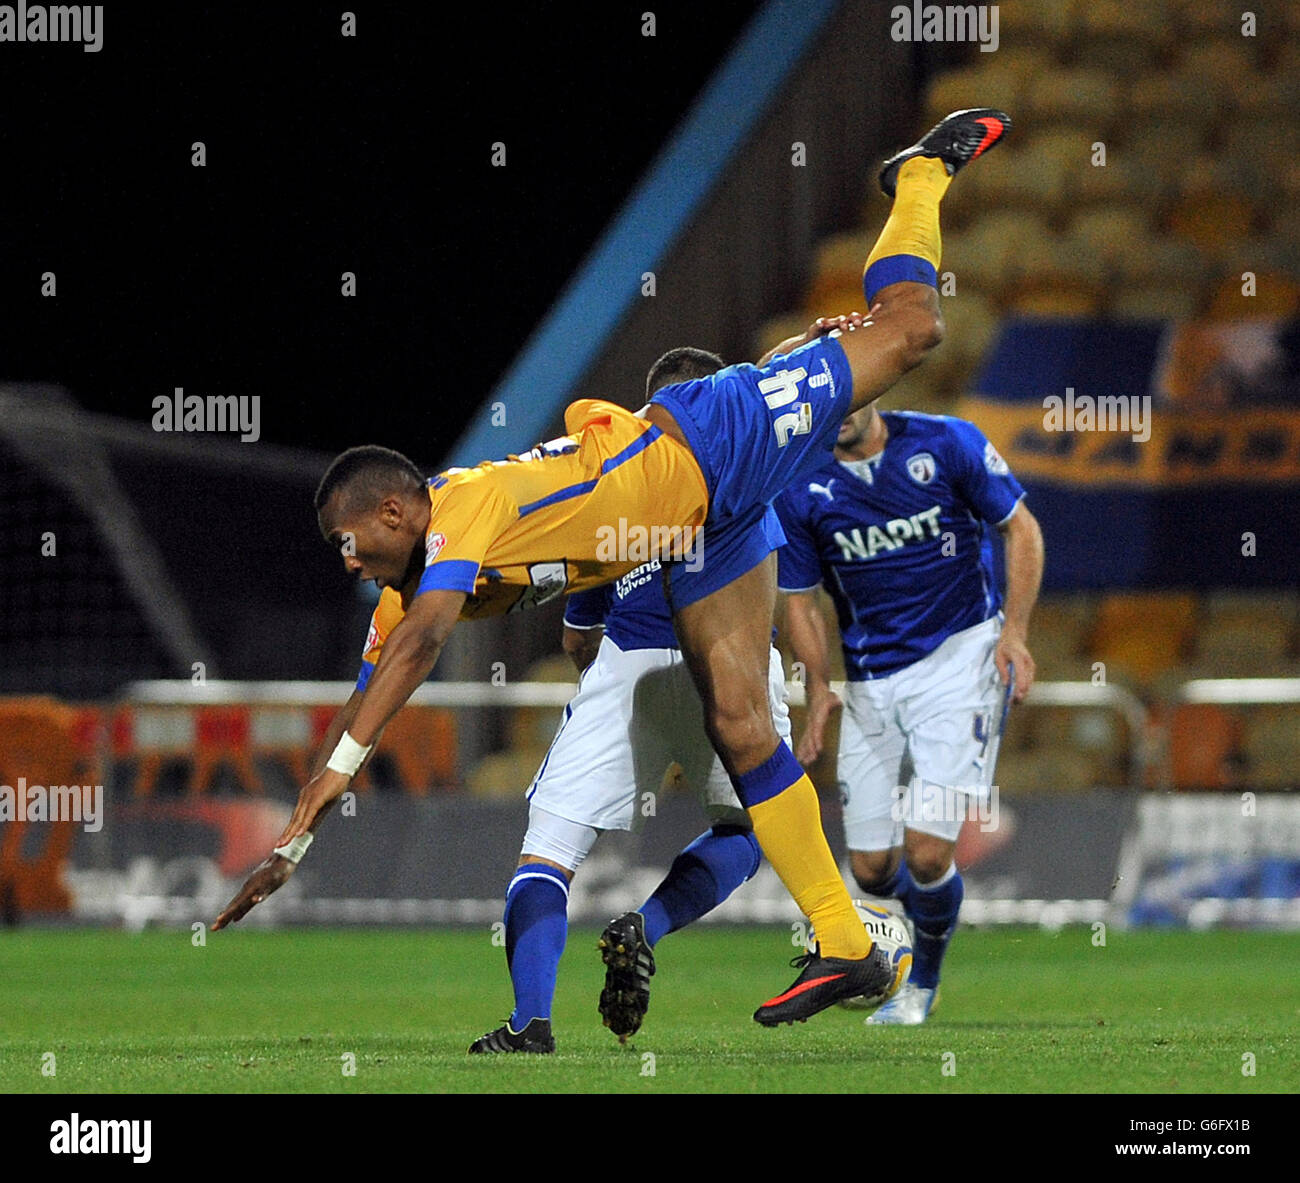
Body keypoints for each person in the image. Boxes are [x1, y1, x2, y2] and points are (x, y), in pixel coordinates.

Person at [212, 108, 1011, 1026]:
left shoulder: (461, 512)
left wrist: (336, 773)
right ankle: (842, 940)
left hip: (711, 436)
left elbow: (426, 642)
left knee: (912, 330)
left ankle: (917, 177)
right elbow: (373, 688)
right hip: (696, 523)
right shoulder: (406, 591)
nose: (347, 560)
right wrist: (298, 840)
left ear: (396, 511)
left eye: (351, 540)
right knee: (742, 723)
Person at [470, 346, 792, 1055]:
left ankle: (531, 1023)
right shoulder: (755, 471)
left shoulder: (614, 482)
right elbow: (785, 593)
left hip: (633, 659)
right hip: (737, 661)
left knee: (547, 856)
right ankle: (645, 925)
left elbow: (577, 635)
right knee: (747, 832)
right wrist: (811, 682)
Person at [777, 397, 1043, 1024]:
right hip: (871, 680)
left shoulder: (947, 442)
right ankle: (932, 913)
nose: (839, 412)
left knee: (926, 852)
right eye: (826, 401)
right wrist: (818, 689)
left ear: (878, 386)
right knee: (870, 871)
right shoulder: (802, 485)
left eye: (851, 395)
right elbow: (799, 602)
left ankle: (920, 982)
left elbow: (1021, 528)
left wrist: (1016, 634)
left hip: (963, 661)